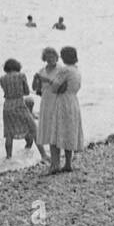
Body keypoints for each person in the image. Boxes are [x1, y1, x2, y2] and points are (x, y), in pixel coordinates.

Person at [43, 46, 84, 174]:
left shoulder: (64, 70)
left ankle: (55, 164)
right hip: (73, 100)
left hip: (62, 101)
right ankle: (68, 163)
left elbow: (55, 87)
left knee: (56, 131)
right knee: (69, 131)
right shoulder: (76, 70)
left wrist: (46, 80)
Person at [0, 58, 39, 159]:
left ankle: (8, 157)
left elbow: (5, 92)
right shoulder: (21, 75)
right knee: (33, 128)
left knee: (9, 134)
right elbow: (26, 92)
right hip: (19, 104)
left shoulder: (2, 78)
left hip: (7, 106)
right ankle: (42, 154)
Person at [33, 47, 61, 161]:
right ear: (45, 58)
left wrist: (47, 79)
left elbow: (61, 85)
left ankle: (57, 158)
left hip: (57, 100)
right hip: (45, 101)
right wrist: (36, 80)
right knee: (49, 129)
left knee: (57, 128)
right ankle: (53, 158)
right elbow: (35, 89)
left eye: (53, 56)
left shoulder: (61, 70)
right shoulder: (42, 70)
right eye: (48, 57)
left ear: (56, 57)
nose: (51, 59)